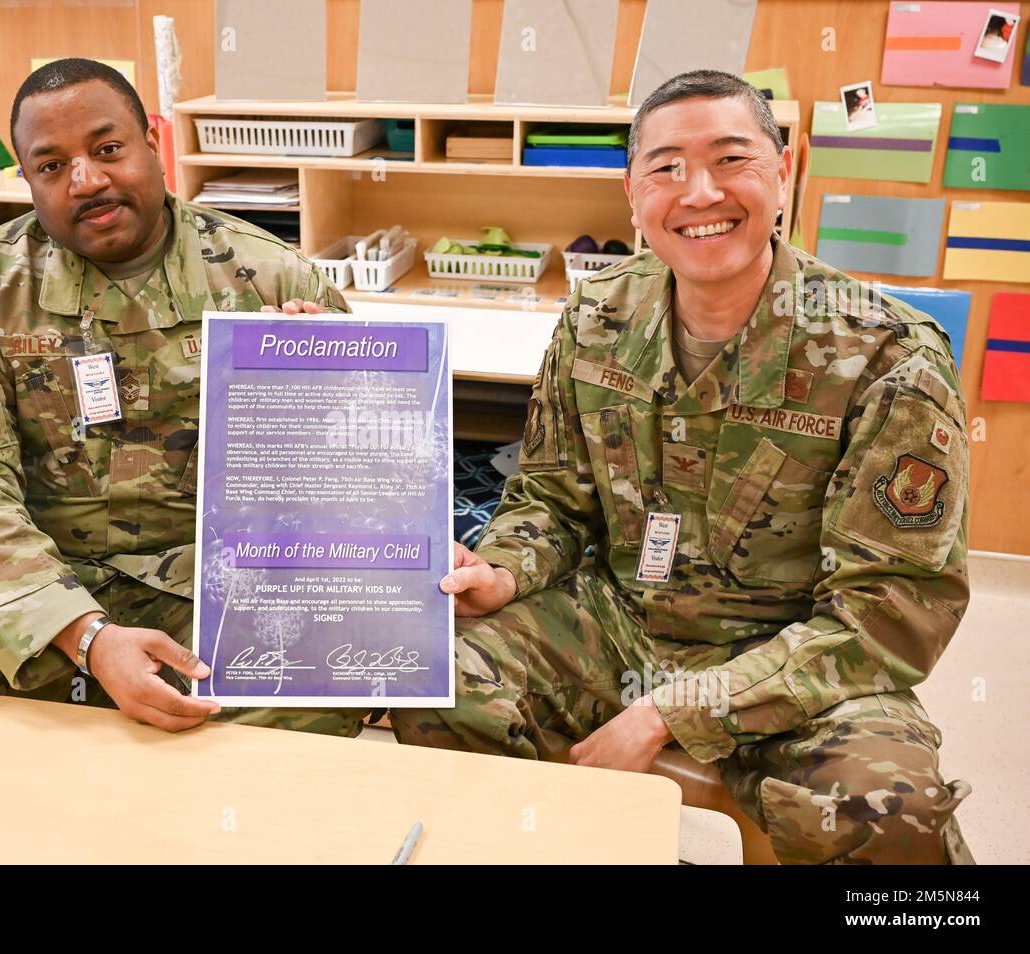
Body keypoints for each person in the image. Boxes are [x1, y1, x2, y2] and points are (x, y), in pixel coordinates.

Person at [389, 70, 975, 865]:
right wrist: (503, 569)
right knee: (436, 681)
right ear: (633, 195)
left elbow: (886, 616)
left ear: (781, 171)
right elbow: (552, 499)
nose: (698, 193)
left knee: (889, 812)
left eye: (731, 160)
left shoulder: (885, 357)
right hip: (623, 620)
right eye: (665, 168)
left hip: (794, 652)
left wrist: (671, 713)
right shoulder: (599, 316)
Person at [0, 58, 364, 864]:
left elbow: (352, 486)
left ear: (155, 143)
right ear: (26, 179)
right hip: (26, 567)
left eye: (108, 148)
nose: (86, 180)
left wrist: (336, 389)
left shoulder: (270, 277)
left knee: (331, 660)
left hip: (206, 576)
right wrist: (85, 634)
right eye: (52, 166)